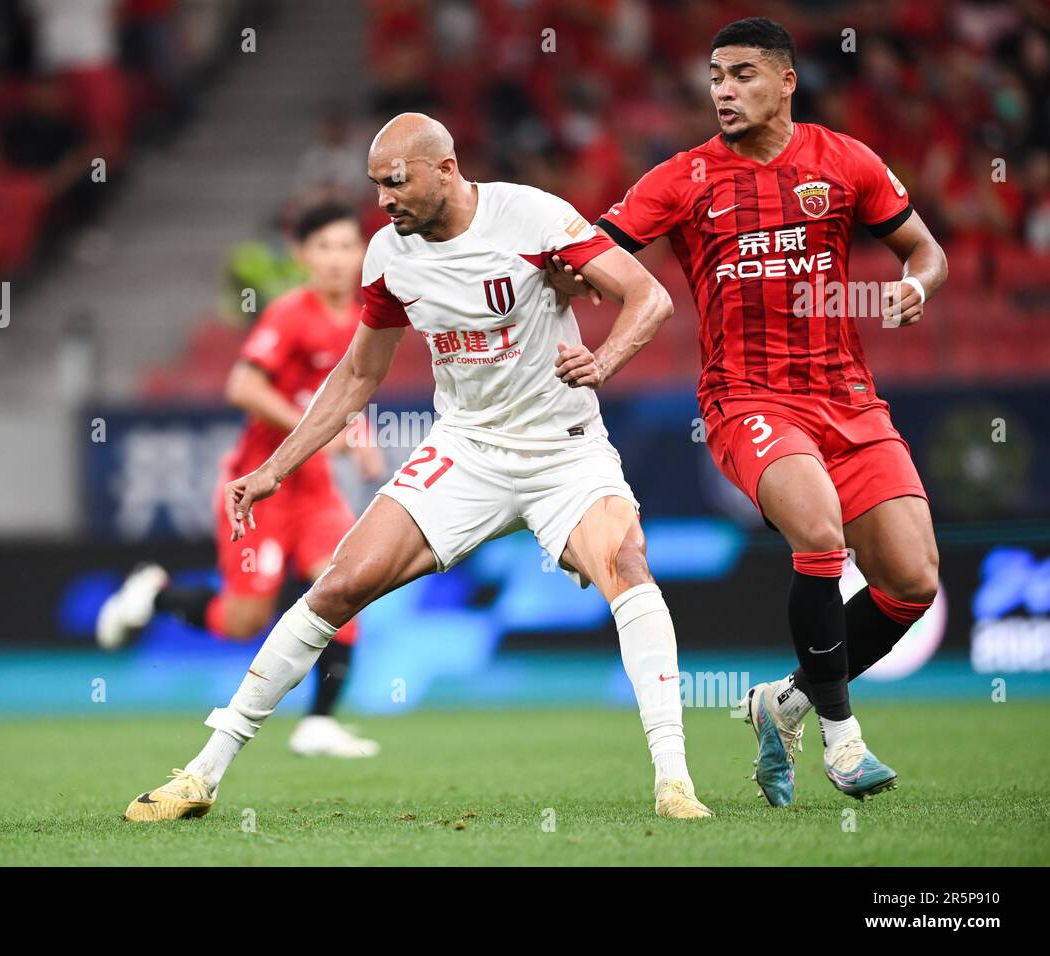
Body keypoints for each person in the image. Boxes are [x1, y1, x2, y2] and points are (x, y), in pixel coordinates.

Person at [123, 112, 714, 823]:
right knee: (337, 587)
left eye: (396, 182)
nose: (385, 200)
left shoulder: (531, 217)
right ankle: (203, 773)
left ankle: (674, 783)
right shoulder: (388, 255)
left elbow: (648, 296)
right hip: (465, 450)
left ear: (446, 168)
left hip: (564, 448)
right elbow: (356, 376)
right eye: (376, 186)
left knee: (627, 563)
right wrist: (277, 467)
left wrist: (604, 359)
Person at [552, 17, 946, 806]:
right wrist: (569, 287)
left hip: (849, 399)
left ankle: (784, 701)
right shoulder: (684, 178)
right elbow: (584, 254)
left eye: (741, 75)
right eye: (714, 76)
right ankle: (842, 741)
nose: (723, 91)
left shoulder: (844, 160)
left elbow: (925, 249)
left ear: (788, 80)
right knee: (821, 534)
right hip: (748, 400)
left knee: (912, 580)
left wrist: (917, 286)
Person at [97, 199, 386, 758]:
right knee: (242, 619)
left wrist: (361, 436)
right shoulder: (288, 314)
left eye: (347, 245)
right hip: (260, 487)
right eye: (323, 246)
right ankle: (155, 594)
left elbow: (346, 394)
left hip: (316, 488)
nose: (336, 258)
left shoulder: (362, 319)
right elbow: (243, 388)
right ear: (302, 255)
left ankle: (319, 722)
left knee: (345, 584)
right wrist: (321, 432)